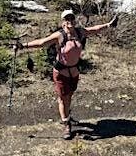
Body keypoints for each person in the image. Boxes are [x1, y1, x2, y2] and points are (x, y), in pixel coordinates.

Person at [15, 9, 118, 139]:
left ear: (74, 20)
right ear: (63, 22)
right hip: (61, 72)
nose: (70, 21)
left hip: (74, 72)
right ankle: (66, 124)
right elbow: (42, 42)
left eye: (71, 18)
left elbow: (94, 29)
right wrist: (23, 45)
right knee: (63, 98)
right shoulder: (59, 35)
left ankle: (67, 116)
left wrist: (108, 25)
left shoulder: (80, 32)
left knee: (69, 96)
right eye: (66, 19)